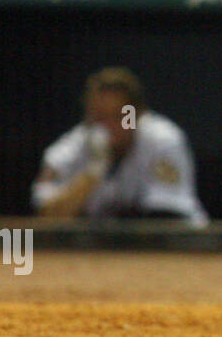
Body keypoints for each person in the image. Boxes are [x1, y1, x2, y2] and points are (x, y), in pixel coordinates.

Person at [32, 68, 208, 225]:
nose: (108, 125)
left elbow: (167, 218)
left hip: (179, 250)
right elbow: (47, 215)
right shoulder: (72, 147)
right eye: (99, 116)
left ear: (138, 114)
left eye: (120, 115)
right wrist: (92, 174)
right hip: (108, 253)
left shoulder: (163, 140)